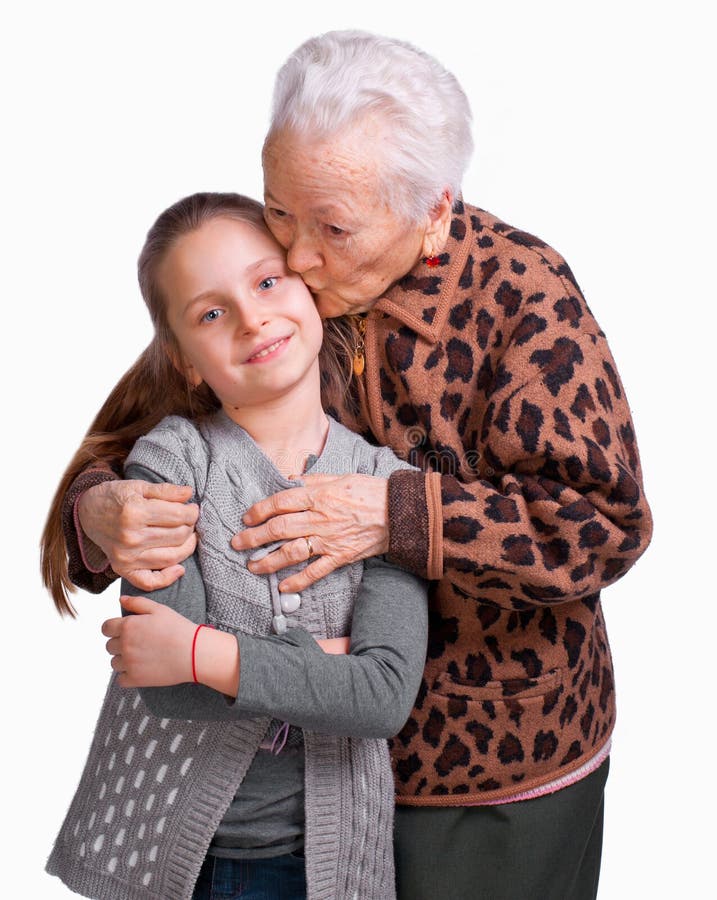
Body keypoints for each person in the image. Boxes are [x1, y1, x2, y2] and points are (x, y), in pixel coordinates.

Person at [48, 30, 653, 900]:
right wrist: (101, 512)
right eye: (278, 209)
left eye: (328, 227)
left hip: (488, 759)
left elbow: (603, 525)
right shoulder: (282, 293)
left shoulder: (524, 298)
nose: (291, 257)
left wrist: (391, 516)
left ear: (432, 211)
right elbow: (140, 438)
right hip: (300, 782)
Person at [43, 192, 429, 900]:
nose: (252, 318)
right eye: (211, 313)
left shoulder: (385, 485)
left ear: (310, 294)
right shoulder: (171, 463)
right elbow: (172, 695)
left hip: (324, 863)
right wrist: (331, 662)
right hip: (176, 856)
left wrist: (203, 650)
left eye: (266, 281)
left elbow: (380, 698)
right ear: (186, 361)